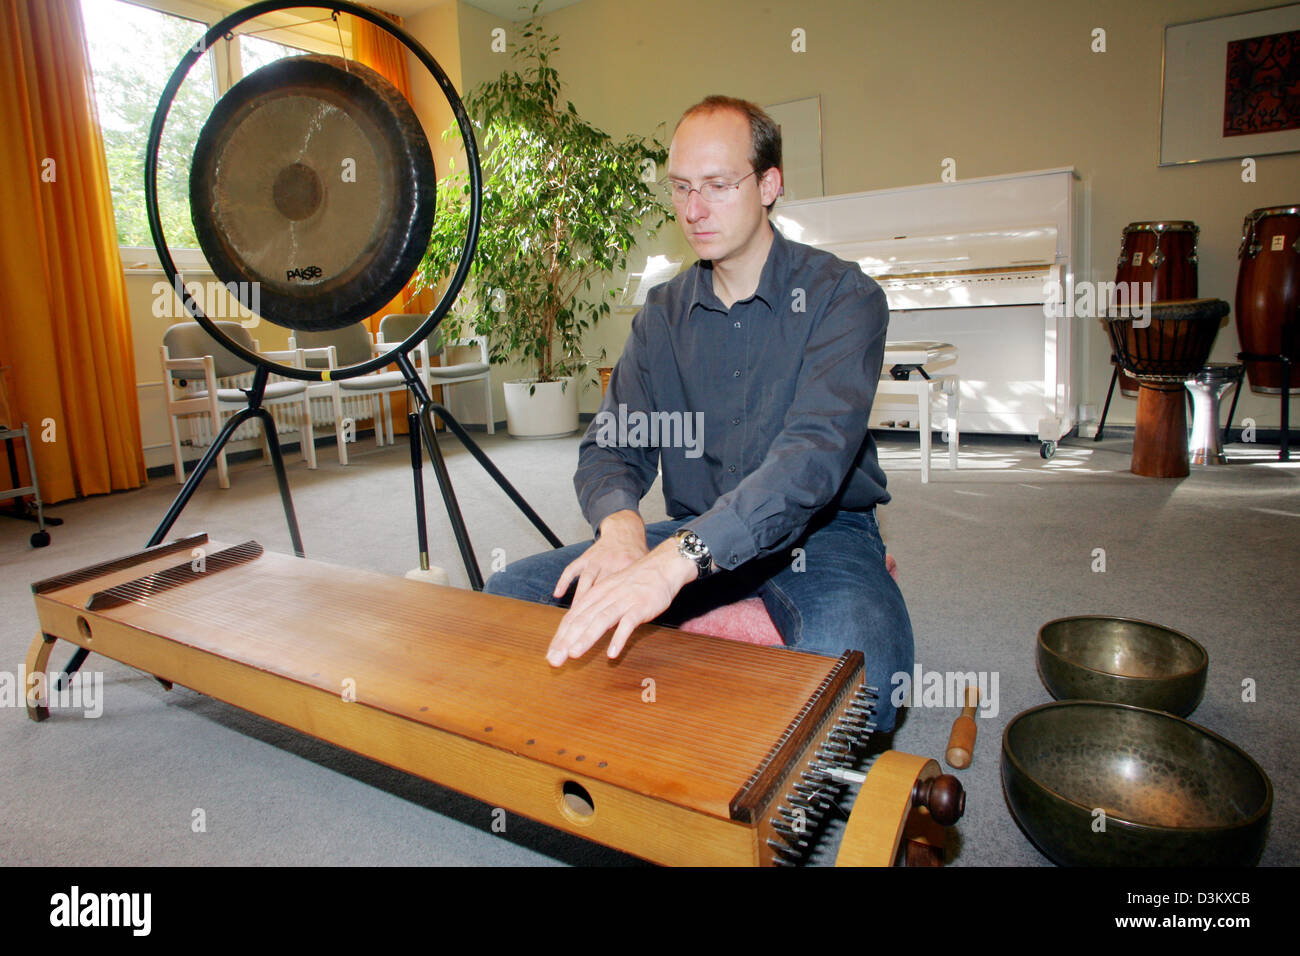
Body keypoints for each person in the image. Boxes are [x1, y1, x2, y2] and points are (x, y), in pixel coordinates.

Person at [484, 95, 911, 731]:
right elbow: (612, 445)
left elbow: (810, 463)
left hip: (820, 535)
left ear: (769, 185)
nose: (693, 209)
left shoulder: (843, 298)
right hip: (693, 530)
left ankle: (703, 632)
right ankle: (715, 632)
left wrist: (671, 566)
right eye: (681, 187)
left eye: (717, 185)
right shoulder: (661, 315)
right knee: (508, 603)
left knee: (864, 686)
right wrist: (623, 527)